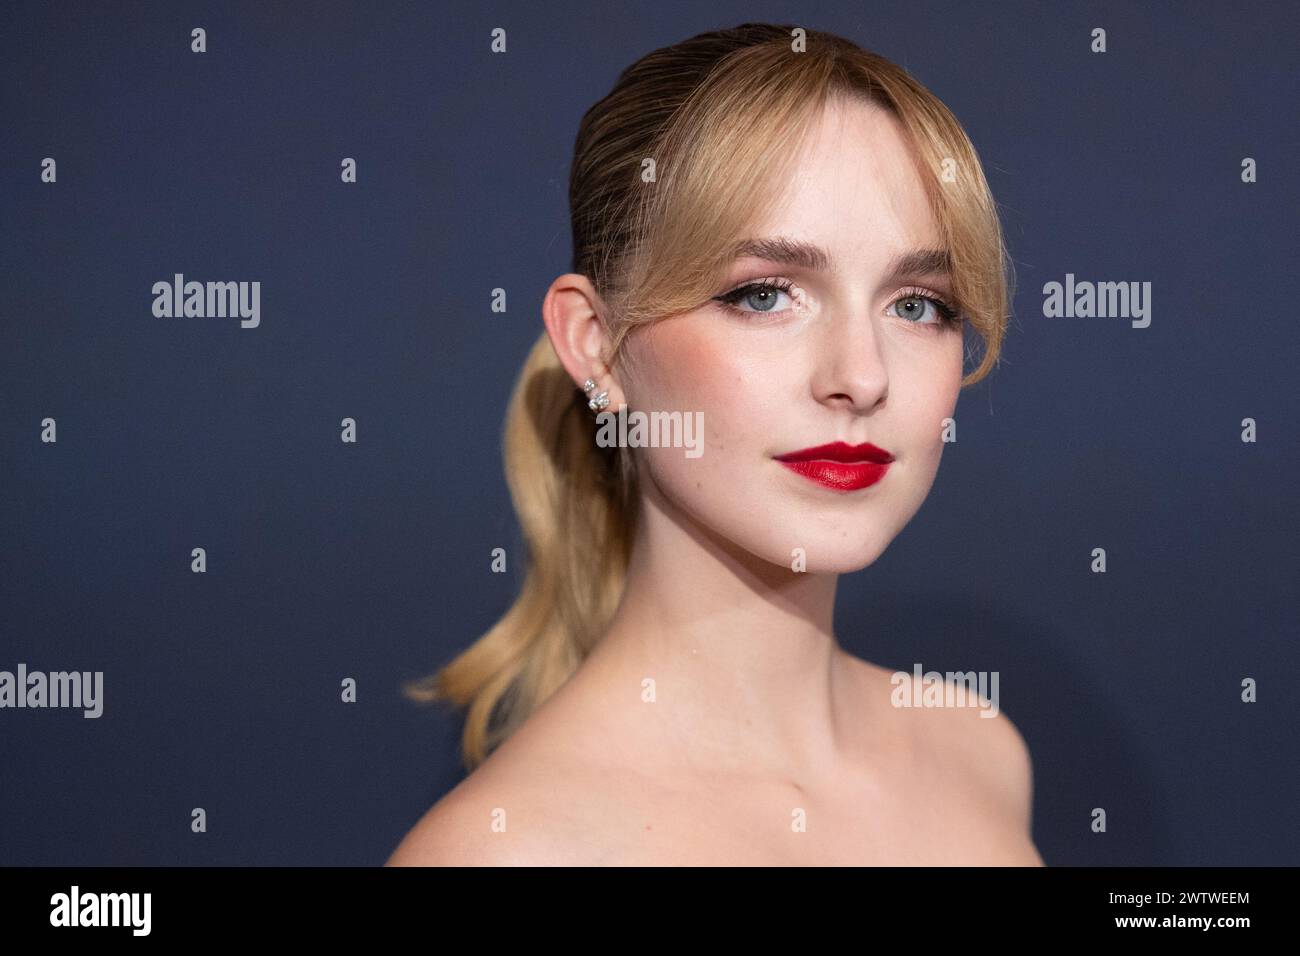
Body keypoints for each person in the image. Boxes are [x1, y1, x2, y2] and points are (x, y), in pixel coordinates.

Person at [387, 22, 1042, 865]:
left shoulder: (980, 753)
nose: (861, 376)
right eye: (765, 294)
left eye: (917, 304)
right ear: (594, 343)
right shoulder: (507, 853)